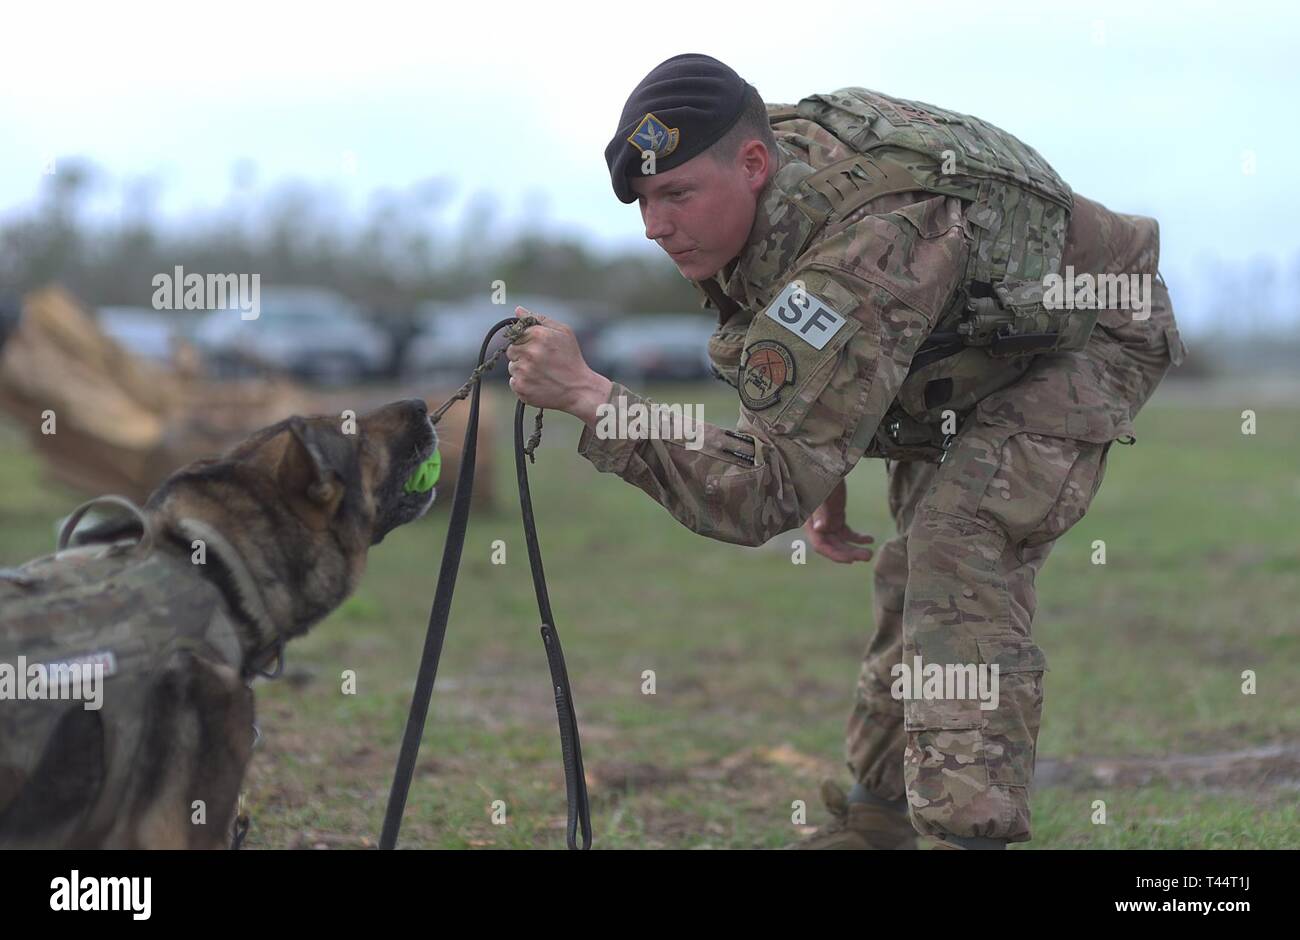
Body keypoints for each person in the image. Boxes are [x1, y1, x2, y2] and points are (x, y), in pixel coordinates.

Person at [504, 53, 1186, 849]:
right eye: (645, 201)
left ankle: (972, 834)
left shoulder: (869, 246)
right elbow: (806, 367)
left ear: (754, 164)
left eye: (677, 194)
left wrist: (593, 397)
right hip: (962, 343)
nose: (655, 227)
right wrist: (823, 463)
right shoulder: (773, 179)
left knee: (958, 547)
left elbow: (757, 496)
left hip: (1086, 330)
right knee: (913, 568)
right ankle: (876, 819)